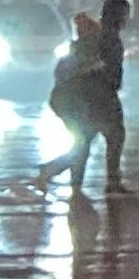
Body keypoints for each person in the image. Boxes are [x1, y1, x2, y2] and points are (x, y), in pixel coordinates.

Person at [36, 14, 106, 192]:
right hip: (68, 102)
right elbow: (68, 77)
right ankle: (52, 170)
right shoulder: (78, 54)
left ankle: (74, 181)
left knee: (84, 141)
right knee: (82, 141)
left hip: (74, 102)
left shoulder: (87, 53)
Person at [94, 0, 131, 193]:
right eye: (125, 14)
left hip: (102, 91)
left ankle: (50, 171)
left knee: (88, 139)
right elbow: (106, 66)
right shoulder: (108, 36)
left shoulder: (107, 33)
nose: (127, 19)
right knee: (116, 135)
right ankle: (113, 181)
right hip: (103, 93)